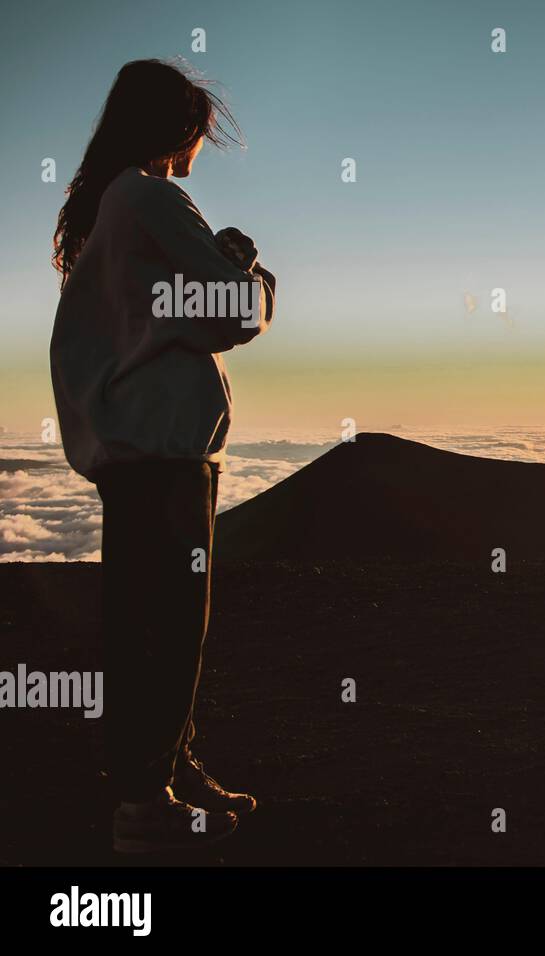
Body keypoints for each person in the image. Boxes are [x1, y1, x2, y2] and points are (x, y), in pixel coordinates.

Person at [50, 59, 276, 853]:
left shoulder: (111, 208)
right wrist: (244, 262)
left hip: (138, 453)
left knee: (151, 621)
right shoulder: (150, 197)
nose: (203, 146)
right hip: (164, 458)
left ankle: (166, 772)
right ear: (181, 129)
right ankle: (147, 803)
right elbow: (232, 312)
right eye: (200, 131)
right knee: (170, 626)